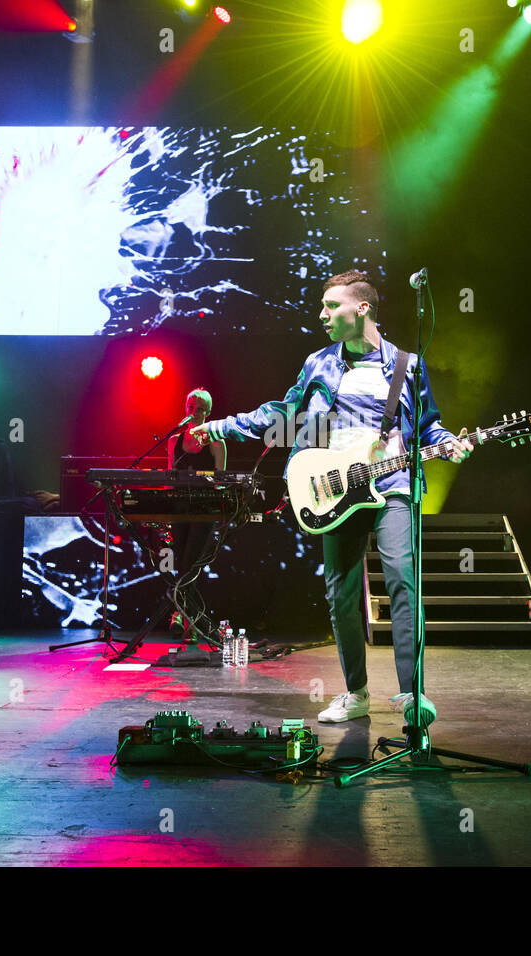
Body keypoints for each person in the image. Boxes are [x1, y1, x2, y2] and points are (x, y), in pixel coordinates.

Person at [191, 269, 472, 722]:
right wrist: (221, 425)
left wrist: (451, 442)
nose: (322, 314)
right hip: (336, 489)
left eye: (332, 306)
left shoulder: (408, 365)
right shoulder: (318, 363)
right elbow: (282, 412)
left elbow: (428, 427)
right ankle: (356, 695)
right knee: (340, 593)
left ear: (362, 308)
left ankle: (411, 696)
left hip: (392, 484)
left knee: (403, 580)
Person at [165, 388, 226, 639]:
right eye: (191, 407)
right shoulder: (173, 441)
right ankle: (188, 622)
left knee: (190, 562)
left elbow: (221, 480)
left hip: (204, 509)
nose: (194, 412)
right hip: (179, 508)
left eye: (200, 408)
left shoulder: (216, 442)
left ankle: (180, 615)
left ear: (208, 413)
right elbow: (169, 478)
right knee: (180, 562)